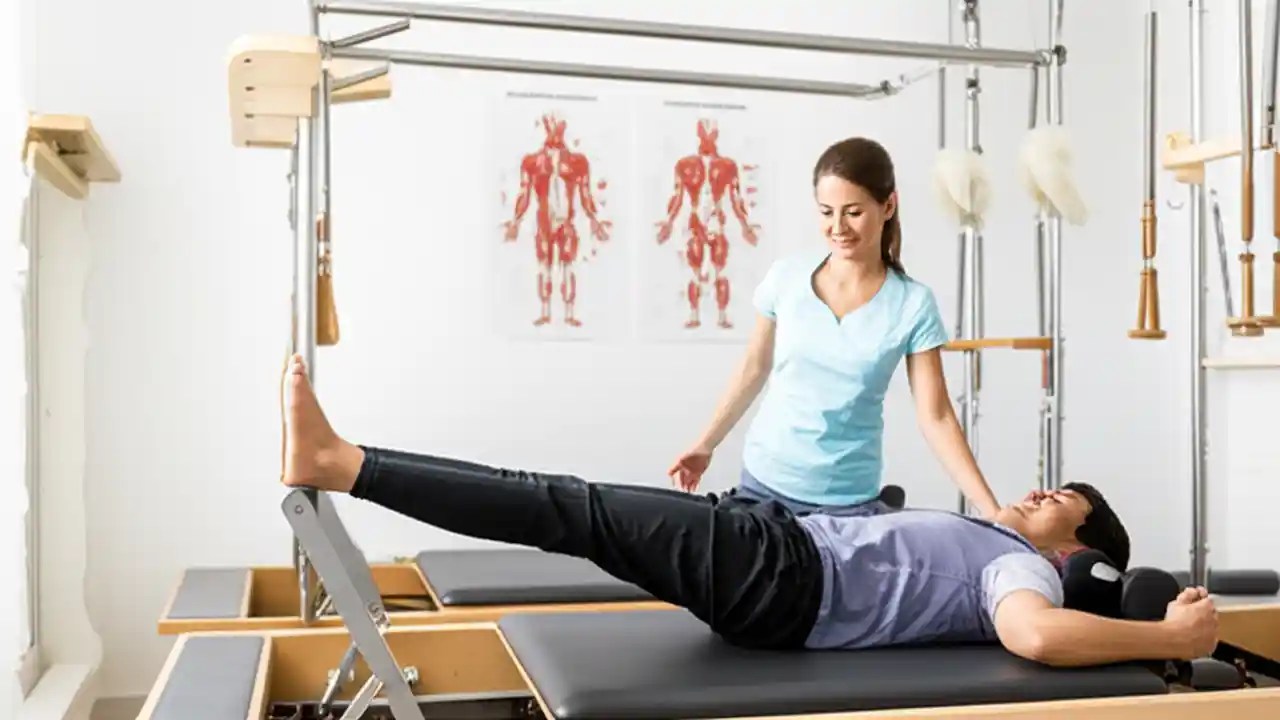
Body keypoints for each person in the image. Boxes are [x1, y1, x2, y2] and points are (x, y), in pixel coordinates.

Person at [280, 355, 1219, 666]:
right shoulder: (986, 535)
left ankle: (343, 461)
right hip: (779, 545)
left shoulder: (1026, 574)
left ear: (1079, 551)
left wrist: (1172, 642)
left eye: (1066, 505)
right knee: (568, 507)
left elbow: (1039, 640)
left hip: (781, 580)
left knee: (563, 506)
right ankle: (346, 461)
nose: (1043, 494)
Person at [668, 137, 1000, 519]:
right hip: (762, 488)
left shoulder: (912, 304)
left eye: (853, 212)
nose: (838, 227)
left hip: (846, 506)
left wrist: (993, 511)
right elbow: (753, 369)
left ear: (888, 205)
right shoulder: (786, 277)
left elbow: (936, 416)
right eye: (827, 212)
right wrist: (705, 444)